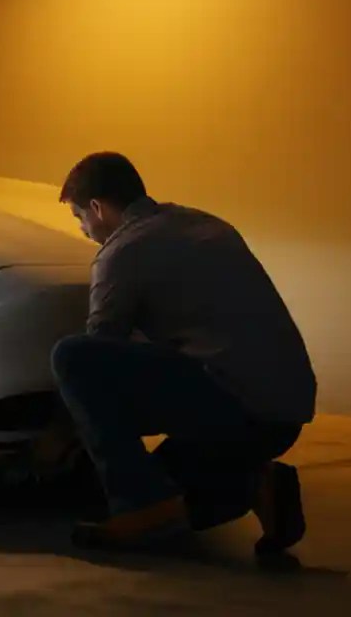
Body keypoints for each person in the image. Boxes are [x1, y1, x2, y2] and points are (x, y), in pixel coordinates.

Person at [51, 152, 314, 554]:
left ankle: (142, 508)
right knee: (172, 494)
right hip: (284, 415)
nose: (85, 231)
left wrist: (63, 432)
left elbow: (101, 352)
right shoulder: (204, 223)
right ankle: (258, 485)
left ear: (97, 208)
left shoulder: (123, 250)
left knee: (73, 357)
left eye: (79, 219)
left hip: (235, 404)